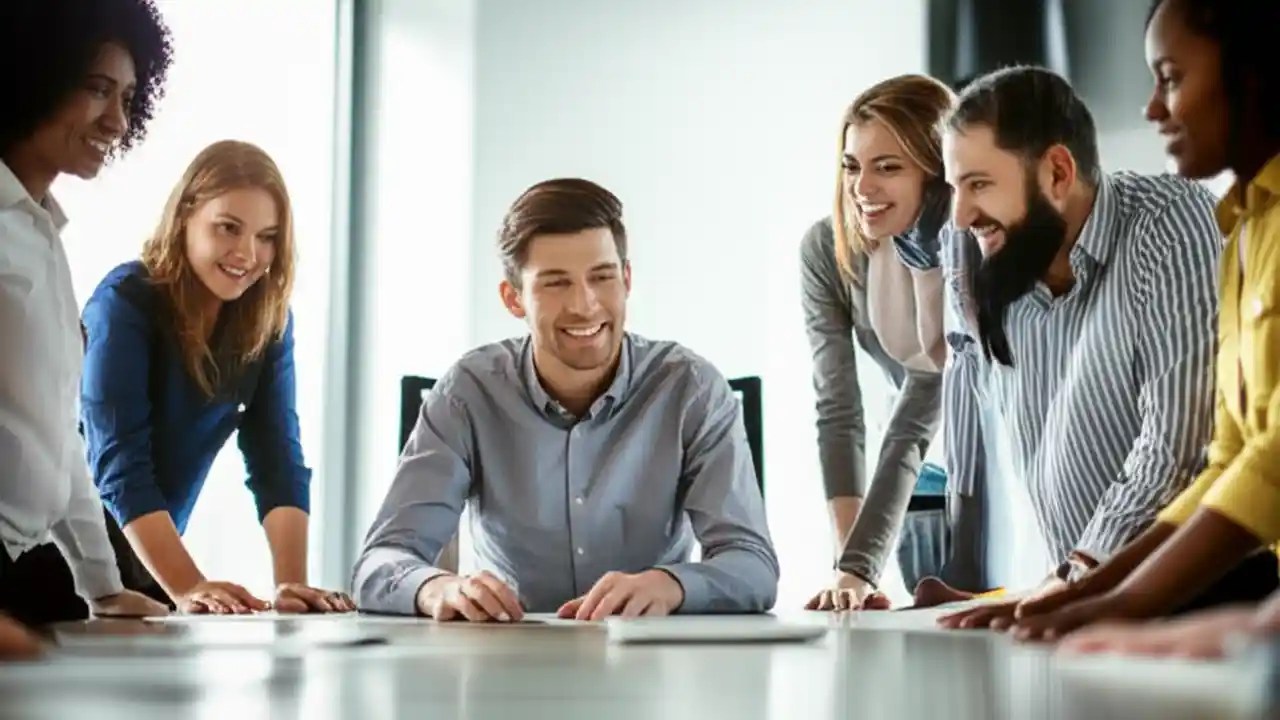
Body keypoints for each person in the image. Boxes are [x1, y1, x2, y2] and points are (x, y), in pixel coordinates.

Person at [916, 65, 1260, 632]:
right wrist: (1009, 584)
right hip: (1082, 600)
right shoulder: (983, 252)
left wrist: (1078, 575)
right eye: (955, 187)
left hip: (1208, 599)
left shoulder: (1168, 224)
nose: (960, 214)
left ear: (1057, 172)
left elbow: (1178, 443)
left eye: (978, 184)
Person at [353, 178, 778, 621]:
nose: (584, 305)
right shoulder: (467, 393)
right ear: (513, 298)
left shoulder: (692, 390)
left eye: (602, 277)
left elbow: (753, 566)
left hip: (650, 662)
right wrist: (434, 587)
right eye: (556, 284)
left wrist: (670, 584)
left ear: (627, 279)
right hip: (503, 659)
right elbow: (380, 562)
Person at [997, 0, 1280, 654]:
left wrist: (1125, 600)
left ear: (1255, 72)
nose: (1153, 108)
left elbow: (1270, 461)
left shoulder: (1185, 224)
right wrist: (1094, 591)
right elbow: (1232, 457)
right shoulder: (1241, 230)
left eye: (1172, 78)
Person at [79, 141, 354, 615]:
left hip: (149, 573)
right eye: (229, 228)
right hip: (65, 562)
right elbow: (120, 466)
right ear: (185, 215)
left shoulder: (268, 323)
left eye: (267, 236)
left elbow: (277, 459)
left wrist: (292, 584)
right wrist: (188, 585)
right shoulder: (124, 302)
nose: (248, 253)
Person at [0, 0, 174, 626]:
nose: (117, 119)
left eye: (128, 97)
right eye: (98, 90)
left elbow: (57, 438)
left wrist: (102, 586)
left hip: (26, 566)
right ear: (30, 76)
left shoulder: (41, 230)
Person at [800, 74, 960, 611]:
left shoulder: (968, 240)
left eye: (887, 167)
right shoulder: (828, 249)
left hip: (985, 462)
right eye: (852, 166)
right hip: (918, 485)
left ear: (936, 171)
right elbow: (838, 408)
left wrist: (859, 565)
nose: (862, 188)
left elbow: (928, 387)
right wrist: (850, 569)